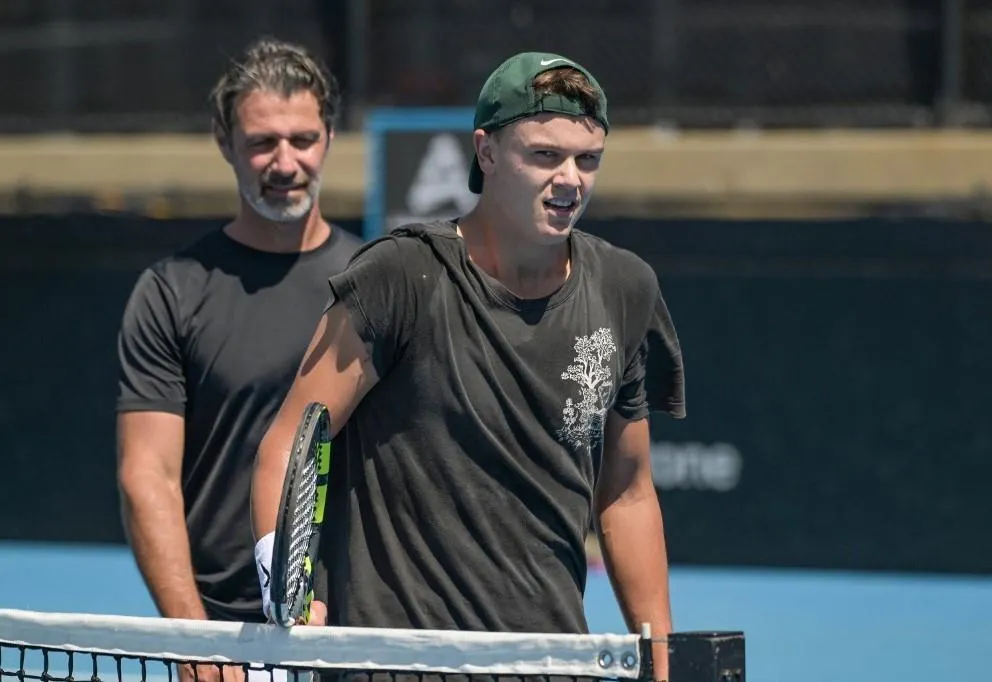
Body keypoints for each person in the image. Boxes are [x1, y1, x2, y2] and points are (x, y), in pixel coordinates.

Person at [252, 52, 684, 681]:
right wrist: (285, 593)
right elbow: (287, 444)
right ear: (485, 152)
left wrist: (663, 659)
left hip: (550, 666)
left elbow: (626, 491)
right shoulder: (400, 276)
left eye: (586, 159)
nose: (569, 179)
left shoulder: (625, 288)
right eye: (543, 155)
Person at [114, 35, 362, 678]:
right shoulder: (171, 291)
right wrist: (194, 640)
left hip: (360, 634)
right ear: (225, 143)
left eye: (303, 139)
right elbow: (149, 476)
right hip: (225, 639)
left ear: (329, 137)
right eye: (262, 142)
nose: (285, 162)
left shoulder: (375, 280)